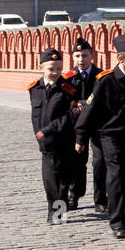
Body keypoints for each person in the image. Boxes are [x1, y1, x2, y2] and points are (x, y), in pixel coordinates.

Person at [75, 34, 125, 239]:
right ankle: (117, 222)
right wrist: (81, 138)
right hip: (110, 136)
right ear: (121, 59)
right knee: (116, 178)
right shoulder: (106, 80)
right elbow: (90, 110)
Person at [29, 47, 80, 222]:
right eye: (51, 69)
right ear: (41, 66)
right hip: (45, 143)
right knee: (50, 179)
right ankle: (54, 211)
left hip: (64, 140)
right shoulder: (34, 88)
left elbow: (70, 116)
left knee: (64, 179)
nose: (56, 72)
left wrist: (47, 130)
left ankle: (59, 211)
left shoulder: (69, 89)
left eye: (59, 68)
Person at [65, 38, 104, 212]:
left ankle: (101, 199)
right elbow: (64, 101)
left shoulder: (101, 76)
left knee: (100, 162)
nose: (81, 59)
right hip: (76, 126)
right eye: (78, 56)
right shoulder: (68, 79)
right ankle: (74, 195)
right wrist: (75, 104)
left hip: (97, 124)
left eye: (85, 55)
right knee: (77, 161)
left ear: (92, 56)